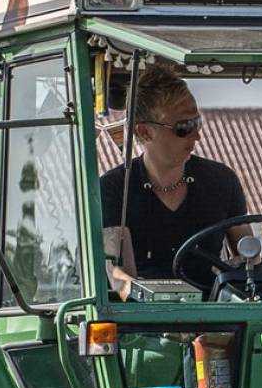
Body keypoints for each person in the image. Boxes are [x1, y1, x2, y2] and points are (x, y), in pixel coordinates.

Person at [100, 66, 247, 292]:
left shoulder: (222, 181)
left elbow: (249, 259)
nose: (197, 135)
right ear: (145, 132)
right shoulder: (114, 189)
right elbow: (120, 278)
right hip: (143, 320)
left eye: (197, 123)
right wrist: (166, 302)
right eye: (184, 128)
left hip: (219, 319)